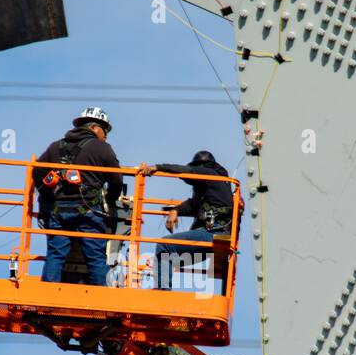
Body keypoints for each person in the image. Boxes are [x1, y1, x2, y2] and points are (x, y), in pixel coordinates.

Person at [36, 107, 123, 286]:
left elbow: (37, 171)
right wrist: (111, 201)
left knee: (56, 253)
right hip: (89, 211)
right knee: (96, 256)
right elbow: (116, 180)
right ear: (94, 128)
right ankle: (101, 298)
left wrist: (47, 193)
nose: (106, 135)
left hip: (59, 211)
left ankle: (46, 295)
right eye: (104, 130)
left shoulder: (56, 146)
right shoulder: (102, 148)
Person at [142, 151, 237, 290]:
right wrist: (176, 210)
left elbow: (186, 171)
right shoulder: (214, 187)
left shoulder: (208, 173)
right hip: (211, 237)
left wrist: (158, 167)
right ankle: (161, 287)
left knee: (164, 245)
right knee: (167, 257)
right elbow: (193, 204)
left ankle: (162, 290)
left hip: (211, 234)